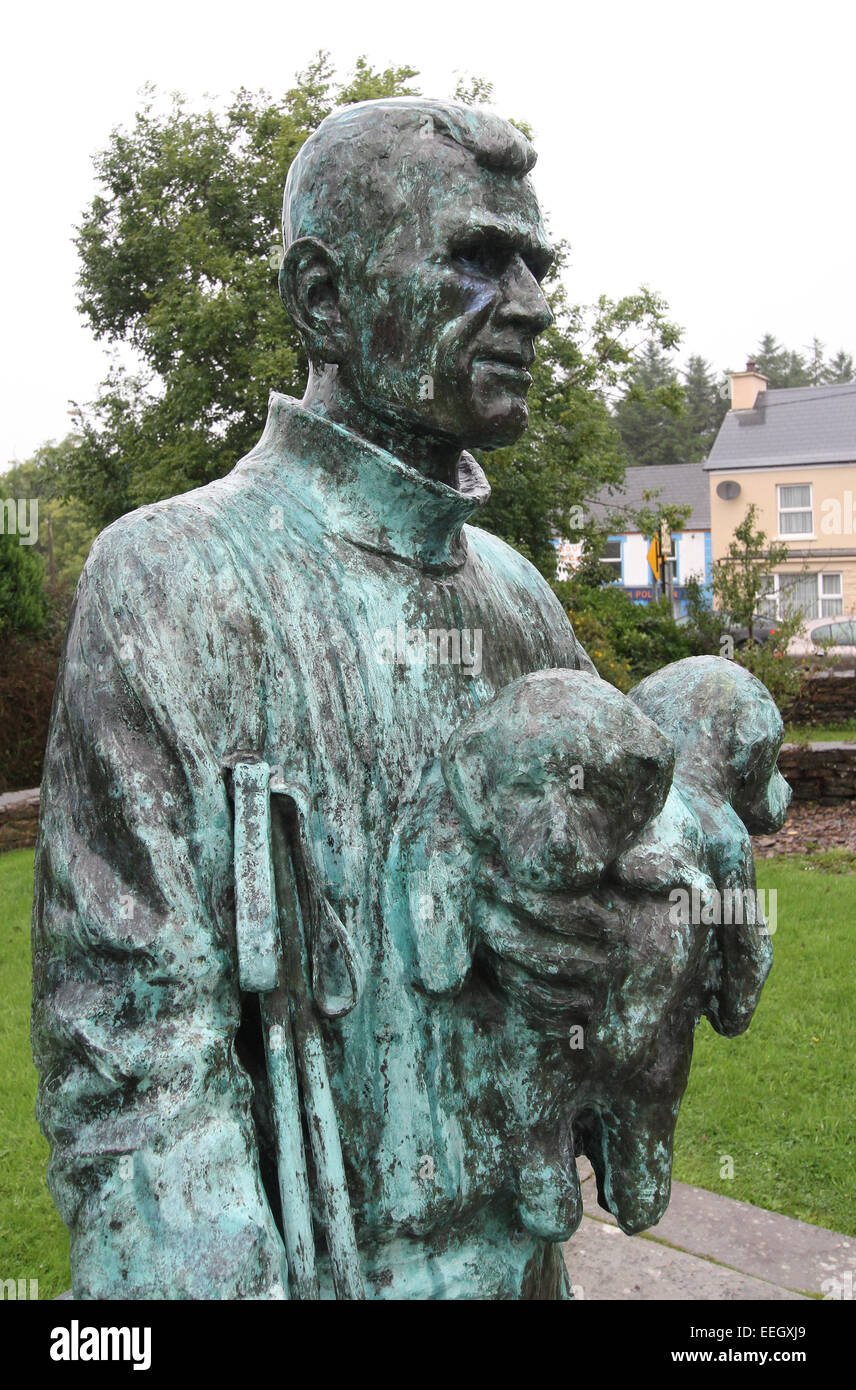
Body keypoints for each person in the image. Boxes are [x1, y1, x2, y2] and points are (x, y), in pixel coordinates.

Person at [31, 99, 771, 1300]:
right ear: (324, 300)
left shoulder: (520, 599)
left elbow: (650, 932)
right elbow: (130, 1060)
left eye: (536, 264)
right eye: (478, 259)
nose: (531, 301)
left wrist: (672, 899)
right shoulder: (171, 581)